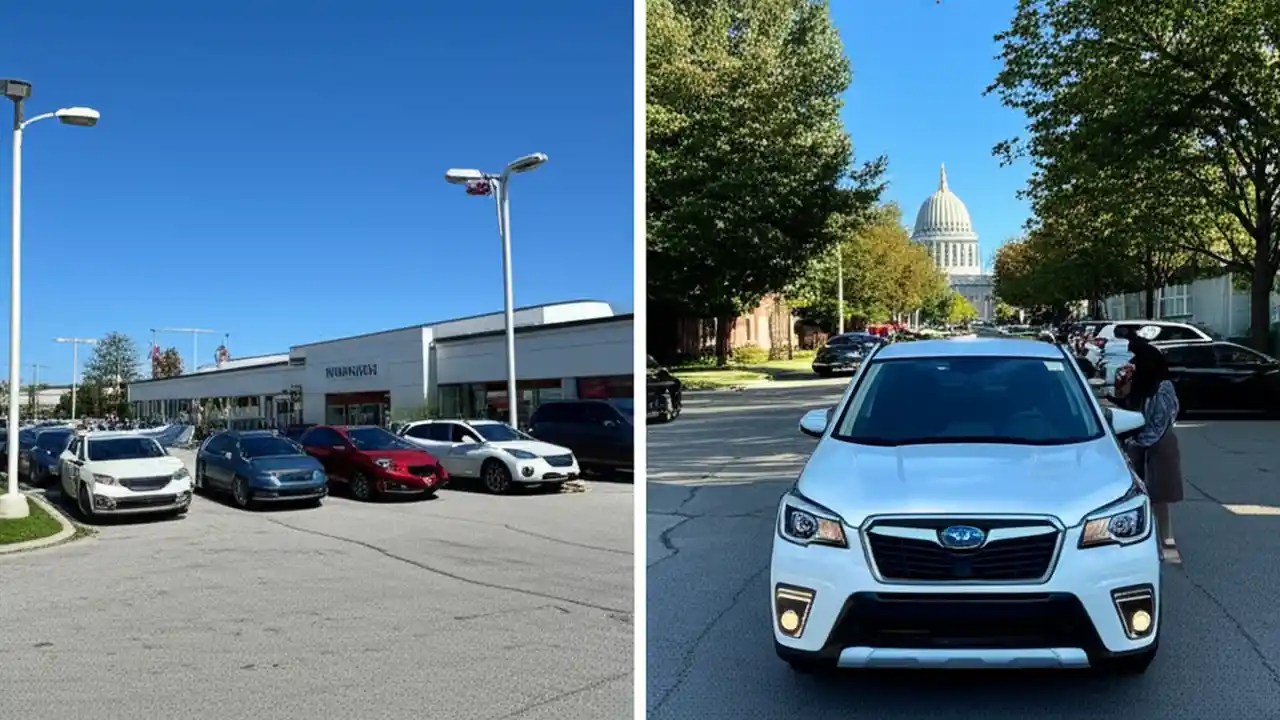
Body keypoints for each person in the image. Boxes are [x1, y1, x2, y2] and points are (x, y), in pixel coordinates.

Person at [1114, 341, 1184, 563]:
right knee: (1133, 497)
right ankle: (1136, 542)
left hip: (1159, 445)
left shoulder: (1163, 387)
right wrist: (1122, 390)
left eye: (1136, 364)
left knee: (1160, 496)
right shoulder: (1139, 385)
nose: (1132, 367)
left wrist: (1136, 440)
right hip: (1136, 443)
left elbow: (1159, 423)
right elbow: (1125, 408)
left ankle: (1167, 542)